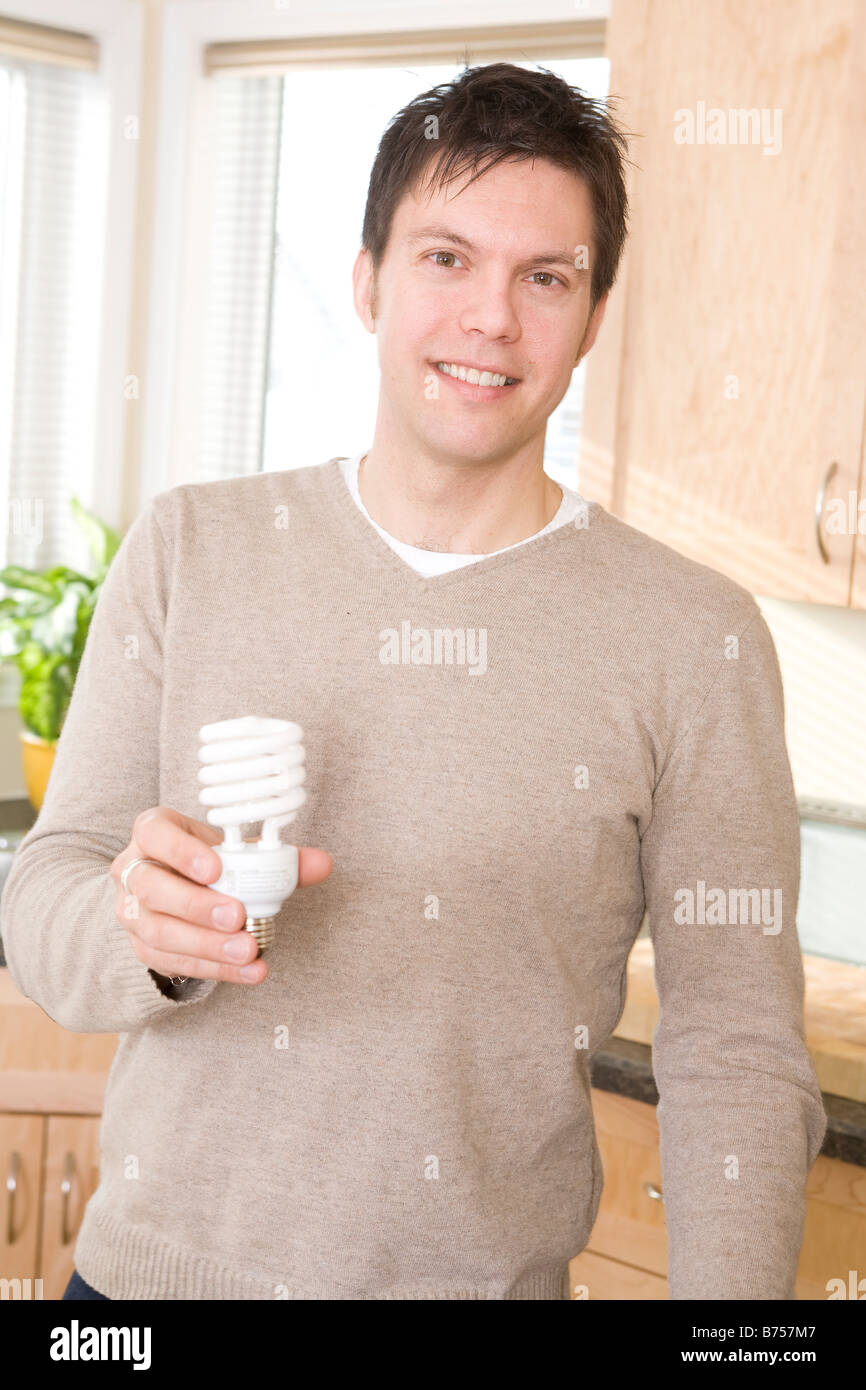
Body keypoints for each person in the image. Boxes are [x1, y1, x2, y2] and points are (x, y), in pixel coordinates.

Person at [1, 63, 826, 1301]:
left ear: (592, 313)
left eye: (543, 275)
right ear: (366, 278)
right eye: (446, 257)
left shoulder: (689, 637)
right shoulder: (193, 549)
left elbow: (738, 1052)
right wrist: (148, 932)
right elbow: (47, 906)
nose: (490, 317)